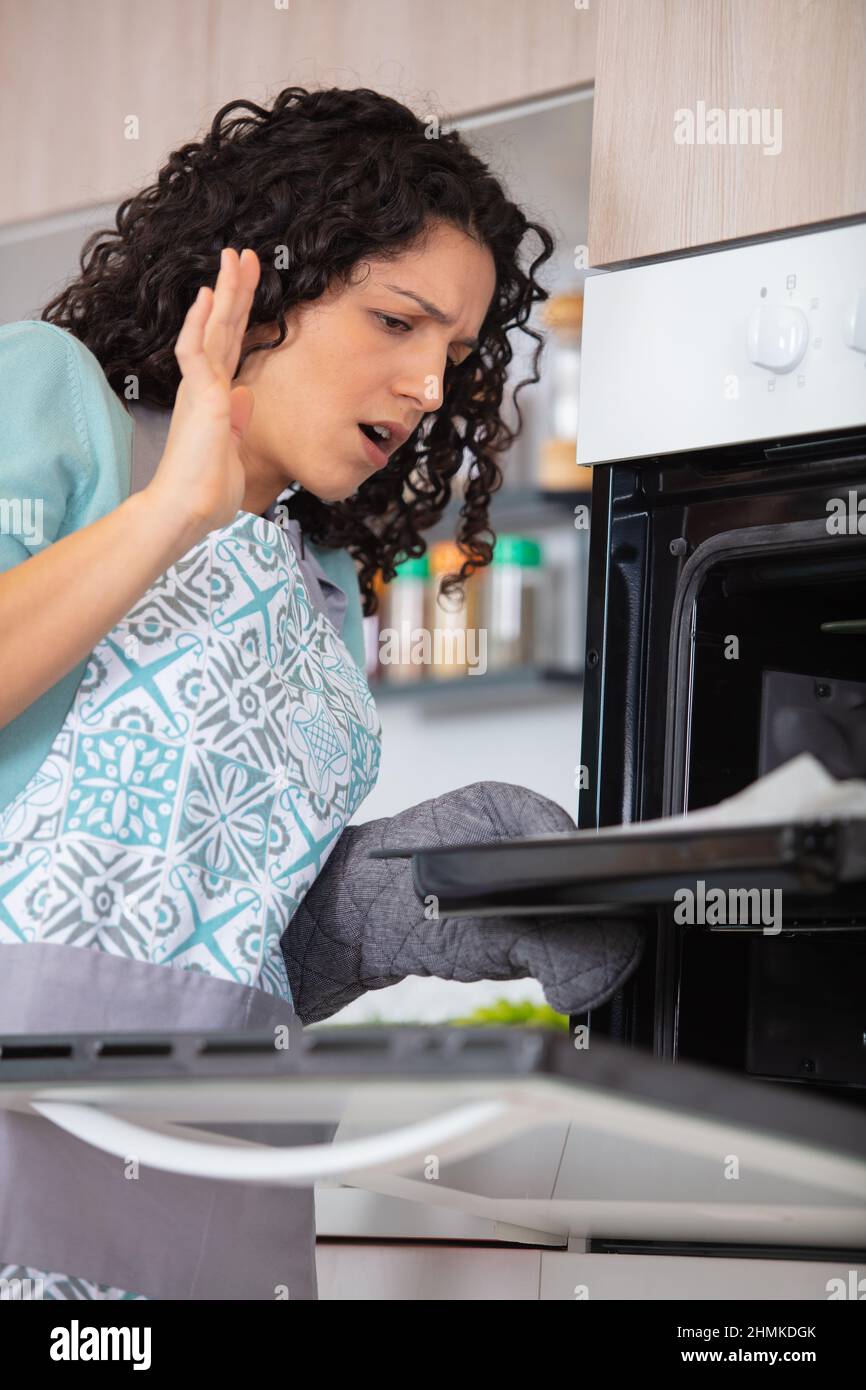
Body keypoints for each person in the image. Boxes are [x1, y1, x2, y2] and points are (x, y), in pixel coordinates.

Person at [0, 84, 561, 1300]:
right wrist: (170, 508)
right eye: (395, 321)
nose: (426, 388)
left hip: (216, 1183)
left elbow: (217, 932)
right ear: (264, 285)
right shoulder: (56, 405)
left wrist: (388, 903)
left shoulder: (314, 598)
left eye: (454, 356)